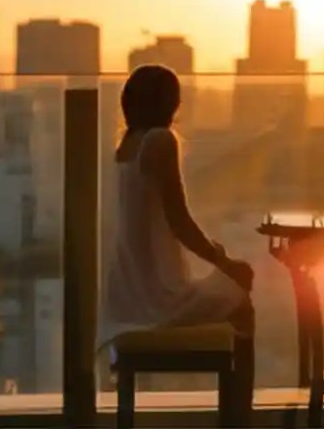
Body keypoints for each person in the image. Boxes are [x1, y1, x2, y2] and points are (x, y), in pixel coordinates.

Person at [99, 64, 255, 418]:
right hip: (158, 298)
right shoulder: (159, 141)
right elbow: (180, 222)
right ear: (171, 104)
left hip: (125, 299)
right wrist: (224, 262)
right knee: (242, 305)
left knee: (228, 291)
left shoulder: (125, 147)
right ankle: (240, 420)